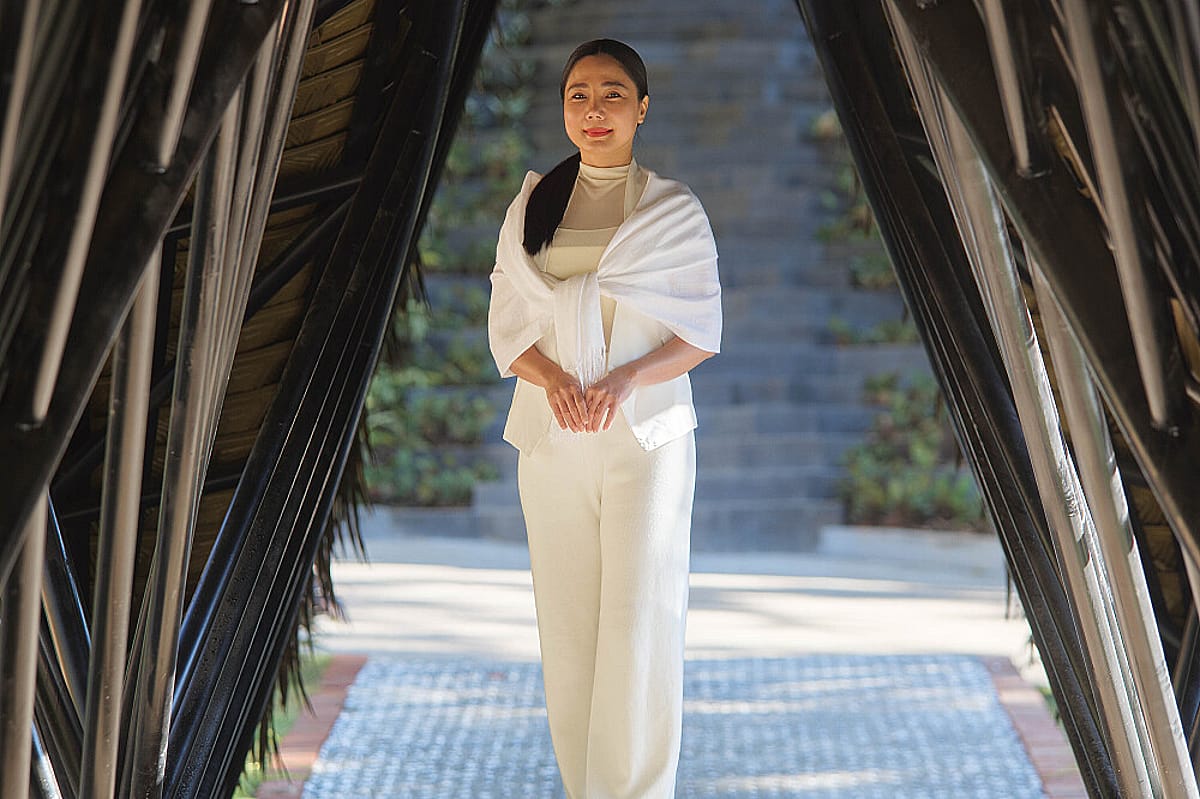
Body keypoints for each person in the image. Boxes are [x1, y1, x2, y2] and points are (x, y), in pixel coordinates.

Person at [487, 38, 722, 799]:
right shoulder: (531, 208)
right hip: (551, 442)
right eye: (579, 94)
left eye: (613, 93)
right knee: (567, 629)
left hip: (645, 441)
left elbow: (699, 333)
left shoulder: (672, 210)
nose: (594, 109)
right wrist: (554, 377)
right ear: (564, 109)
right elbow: (508, 325)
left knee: (637, 624)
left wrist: (623, 379)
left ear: (642, 107)